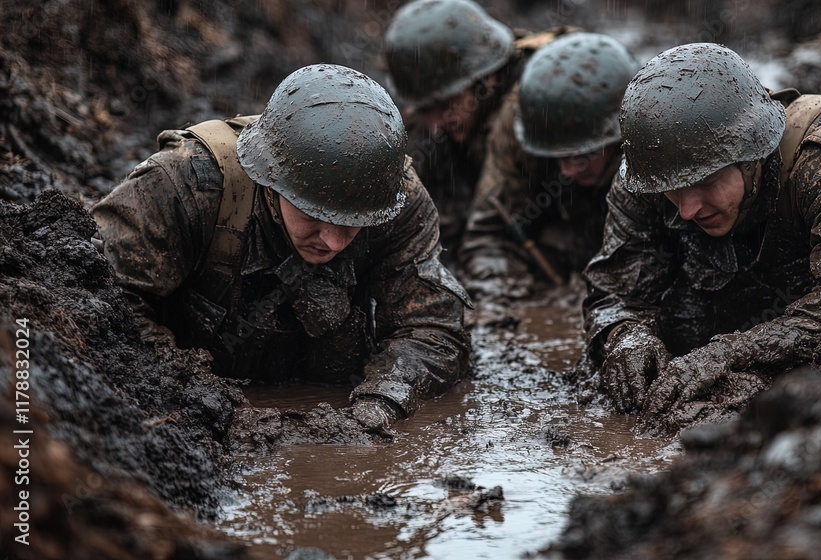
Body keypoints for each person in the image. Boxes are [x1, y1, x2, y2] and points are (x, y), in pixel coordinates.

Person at [91, 64, 472, 434]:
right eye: (315, 215)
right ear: (270, 182)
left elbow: (431, 326)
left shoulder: (392, 197)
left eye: (352, 222)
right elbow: (101, 298)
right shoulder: (185, 183)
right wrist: (198, 396)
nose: (334, 241)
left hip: (331, 383)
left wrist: (381, 404)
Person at [582, 43, 821, 429]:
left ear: (753, 154)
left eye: (705, 182)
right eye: (674, 191)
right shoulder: (651, 177)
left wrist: (731, 353)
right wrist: (625, 338)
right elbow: (614, 293)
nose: (687, 210)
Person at [384, 0, 572, 260]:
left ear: (487, 79)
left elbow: (488, 235)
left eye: (445, 104)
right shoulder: (434, 115)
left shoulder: (528, 102)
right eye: (425, 109)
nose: (436, 125)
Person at [459, 32, 640, 297]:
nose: (566, 171)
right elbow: (489, 234)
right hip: (559, 246)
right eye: (558, 157)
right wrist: (499, 300)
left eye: (580, 156)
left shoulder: (646, 134)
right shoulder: (525, 119)